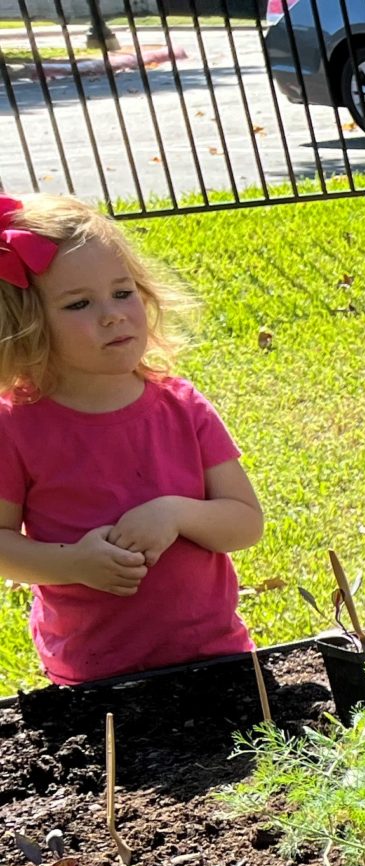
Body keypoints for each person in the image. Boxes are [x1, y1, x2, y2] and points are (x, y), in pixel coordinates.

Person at [0, 194, 262, 687]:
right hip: (94, 669)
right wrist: (74, 563)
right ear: (25, 325)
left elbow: (244, 523)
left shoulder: (180, 406)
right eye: (79, 303)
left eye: (122, 292)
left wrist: (175, 512)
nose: (113, 314)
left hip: (214, 653)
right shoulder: (15, 425)